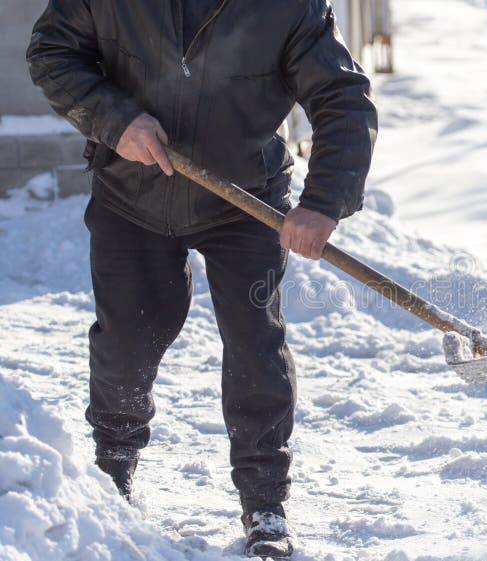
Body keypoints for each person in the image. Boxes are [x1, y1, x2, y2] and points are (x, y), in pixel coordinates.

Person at [26, 1, 378, 557]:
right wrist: (115, 120)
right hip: (130, 196)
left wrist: (323, 202)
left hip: (244, 200)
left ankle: (265, 503)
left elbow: (342, 98)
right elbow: (52, 52)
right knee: (128, 339)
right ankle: (112, 470)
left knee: (254, 344)